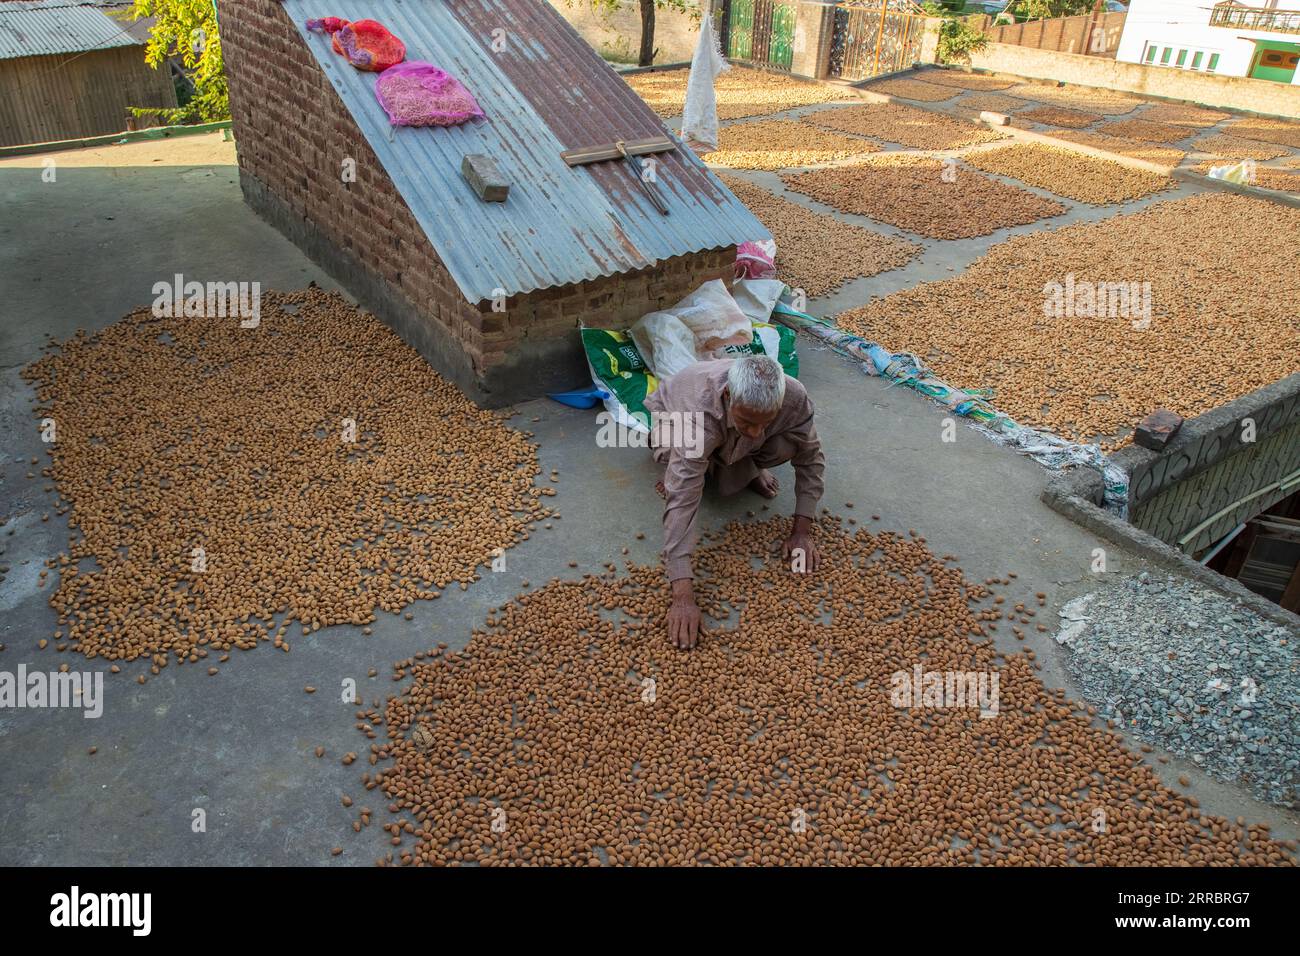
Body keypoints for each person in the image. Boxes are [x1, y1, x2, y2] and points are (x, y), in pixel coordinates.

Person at [644, 354, 825, 650]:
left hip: (722, 429)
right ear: (728, 395)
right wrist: (683, 596)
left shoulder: (794, 398)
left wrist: (802, 531)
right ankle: (712, 466)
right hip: (674, 417)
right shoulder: (698, 417)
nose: (756, 432)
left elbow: (811, 458)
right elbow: (682, 503)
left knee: (785, 443)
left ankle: (743, 466)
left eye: (763, 423)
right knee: (680, 467)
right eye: (747, 421)